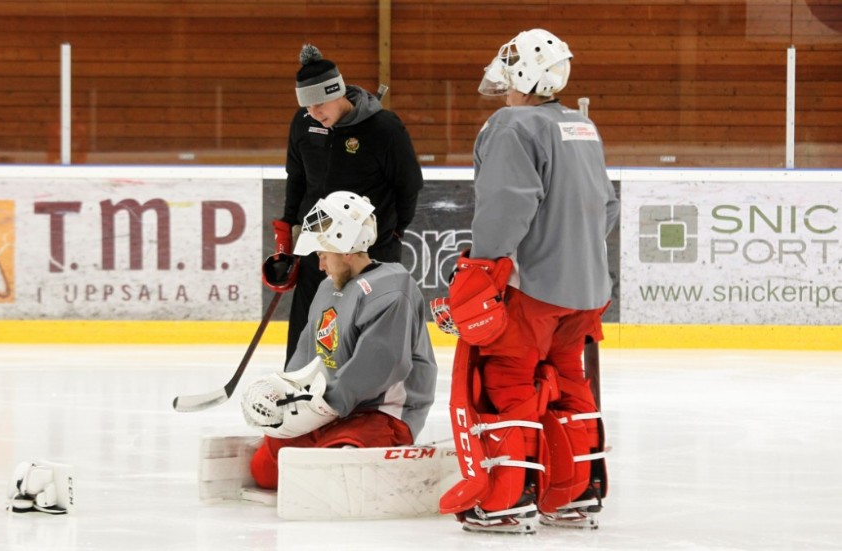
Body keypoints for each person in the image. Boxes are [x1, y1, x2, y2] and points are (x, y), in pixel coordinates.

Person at [432, 29, 619, 534]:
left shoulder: (511, 125)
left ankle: (505, 499)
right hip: (584, 290)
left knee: (508, 384)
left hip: (529, 288)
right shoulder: (582, 127)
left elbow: (507, 205)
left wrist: (483, 269)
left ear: (522, 72)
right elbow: (606, 208)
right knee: (568, 385)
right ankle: (575, 495)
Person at [243, 191, 437, 490]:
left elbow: (380, 367)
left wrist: (323, 406)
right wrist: (287, 393)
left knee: (331, 474)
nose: (320, 265)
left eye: (323, 255)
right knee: (267, 471)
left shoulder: (392, 291)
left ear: (347, 249)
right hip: (330, 408)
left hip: (381, 414)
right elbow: (308, 353)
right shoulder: (326, 289)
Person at [265, 43, 424, 365]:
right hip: (317, 245)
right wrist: (287, 233)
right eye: (307, 107)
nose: (314, 113)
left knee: (363, 328)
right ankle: (296, 389)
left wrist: (394, 233)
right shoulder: (304, 123)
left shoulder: (384, 128)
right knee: (307, 326)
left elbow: (409, 185)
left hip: (368, 249)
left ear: (338, 92)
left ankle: (360, 396)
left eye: (320, 104)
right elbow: (296, 178)